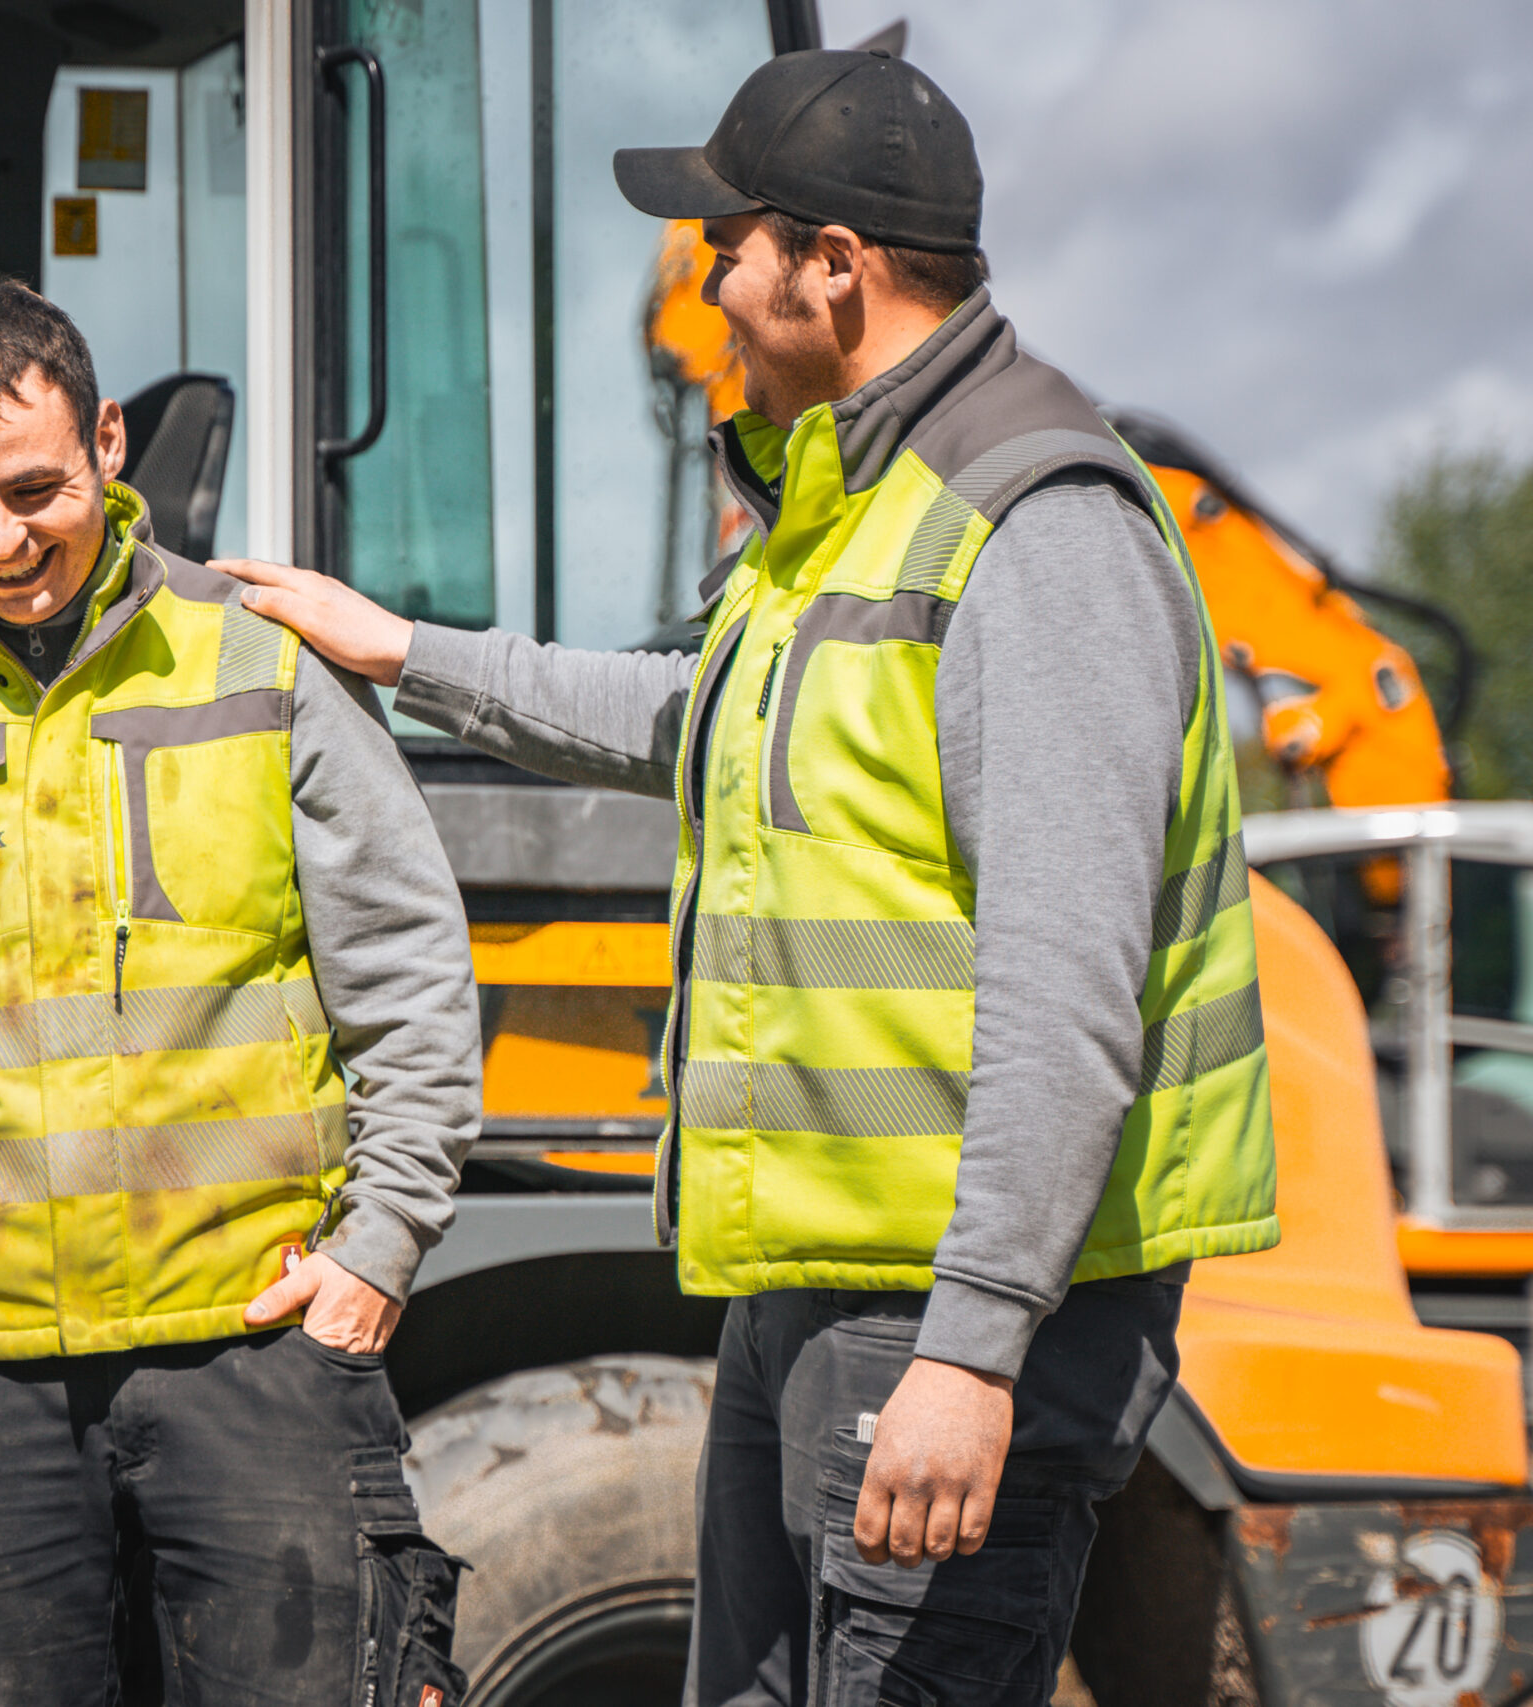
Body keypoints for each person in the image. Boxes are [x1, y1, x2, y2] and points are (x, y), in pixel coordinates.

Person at [218, 48, 1278, 1707]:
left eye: (733, 243)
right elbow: (691, 718)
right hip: (815, 1292)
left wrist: (972, 1350)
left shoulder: (1035, 532)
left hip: (940, 1313)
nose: (707, 281)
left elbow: (1069, 995)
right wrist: (406, 651)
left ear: (835, 269)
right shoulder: (842, 514)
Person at [0, 278, 482, 1706]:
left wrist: (377, 1250)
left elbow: (413, 979)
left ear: (108, 444)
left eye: (33, 489)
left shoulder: (266, 666)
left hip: (255, 1349)